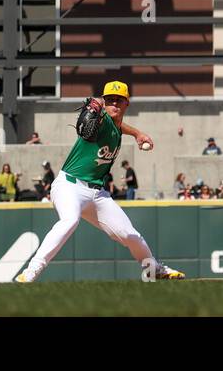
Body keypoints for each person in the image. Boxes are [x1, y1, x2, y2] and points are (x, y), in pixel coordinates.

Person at [16, 80, 184, 282]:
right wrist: (95, 104)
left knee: (130, 235)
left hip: (97, 194)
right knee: (70, 220)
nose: (114, 103)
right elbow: (100, 113)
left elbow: (120, 125)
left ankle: (153, 270)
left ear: (126, 104)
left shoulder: (116, 125)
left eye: (118, 100)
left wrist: (138, 133)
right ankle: (32, 271)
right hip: (69, 186)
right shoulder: (101, 118)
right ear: (104, 102)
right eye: (109, 100)